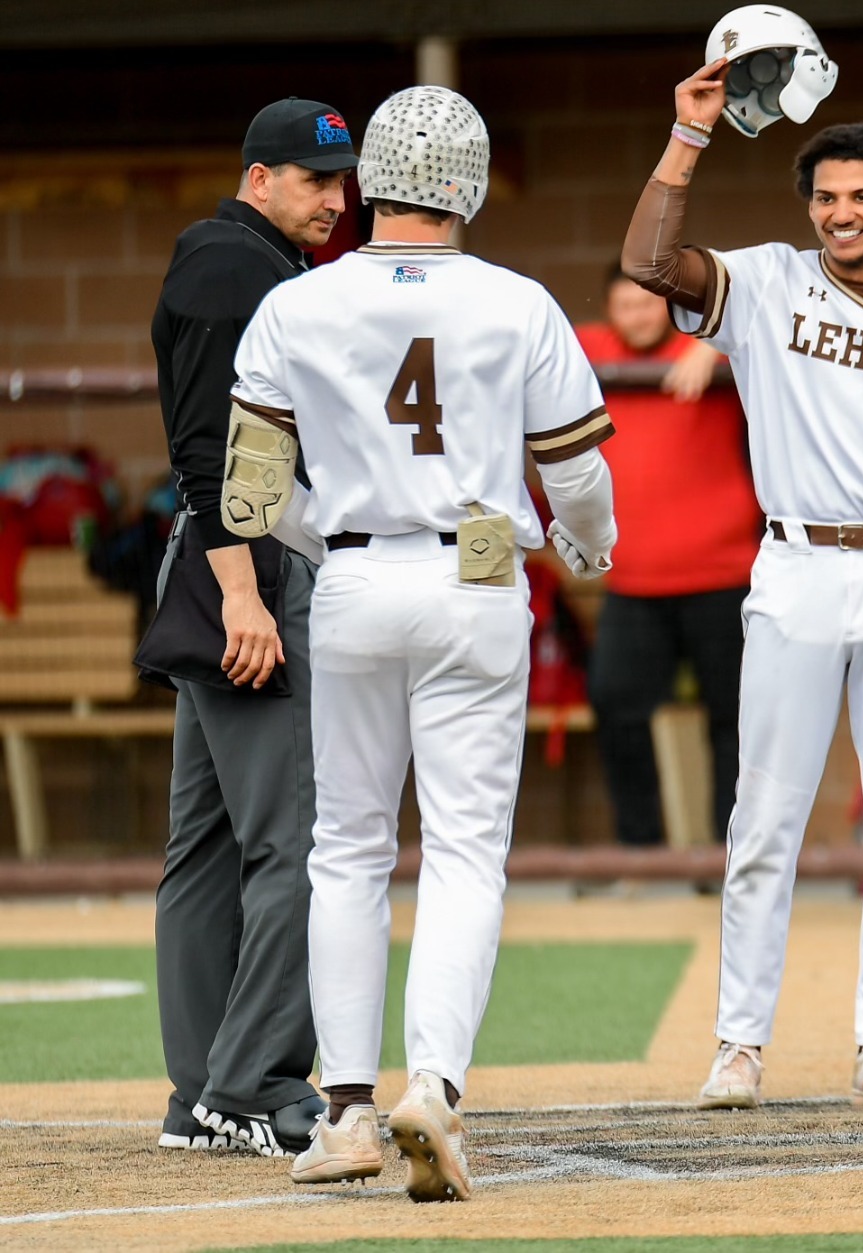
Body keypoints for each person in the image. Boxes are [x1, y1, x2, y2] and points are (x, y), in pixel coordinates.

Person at [228, 84, 618, 1199]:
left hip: (352, 575)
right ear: (471, 184)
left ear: (368, 184)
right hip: (477, 568)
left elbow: (252, 489)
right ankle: (433, 1088)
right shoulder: (518, 300)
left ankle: (346, 1108)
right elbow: (578, 474)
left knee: (345, 847)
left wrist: (337, 538)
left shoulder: (297, 303)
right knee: (460, 848)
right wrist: (586, 549)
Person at [621, 12, 863, 1112]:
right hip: (793, 568)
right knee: (764, 821)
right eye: (824, 196)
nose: (840, 212)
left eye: (860, 195)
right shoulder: (769, 282)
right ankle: (739, 1043)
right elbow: (648, 261)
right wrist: (687, 136)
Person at [147, 98, 356, 1157]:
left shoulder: (241, 259)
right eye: (315, 179)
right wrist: (244, 595)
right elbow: (205, 448)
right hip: (251, 562)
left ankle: (202, 1095)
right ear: (259, 176)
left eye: (342, 179)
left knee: (210, 841)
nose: (334, 198)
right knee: (295, 839)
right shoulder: (235, 267)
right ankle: (256, 1080)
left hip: (223, 557)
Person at [575, 264, 759, 847]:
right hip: (633, 584)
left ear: (670, 306)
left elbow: (770, 335)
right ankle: (642, 853)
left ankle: (731, 858)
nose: (636, 315)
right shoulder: (593, 348)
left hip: (724, 574)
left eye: (647, 303)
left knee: (735, 724)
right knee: (616, 709)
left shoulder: (712, 342)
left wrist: (716, 347)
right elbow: (530, 350)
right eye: (623, 305)